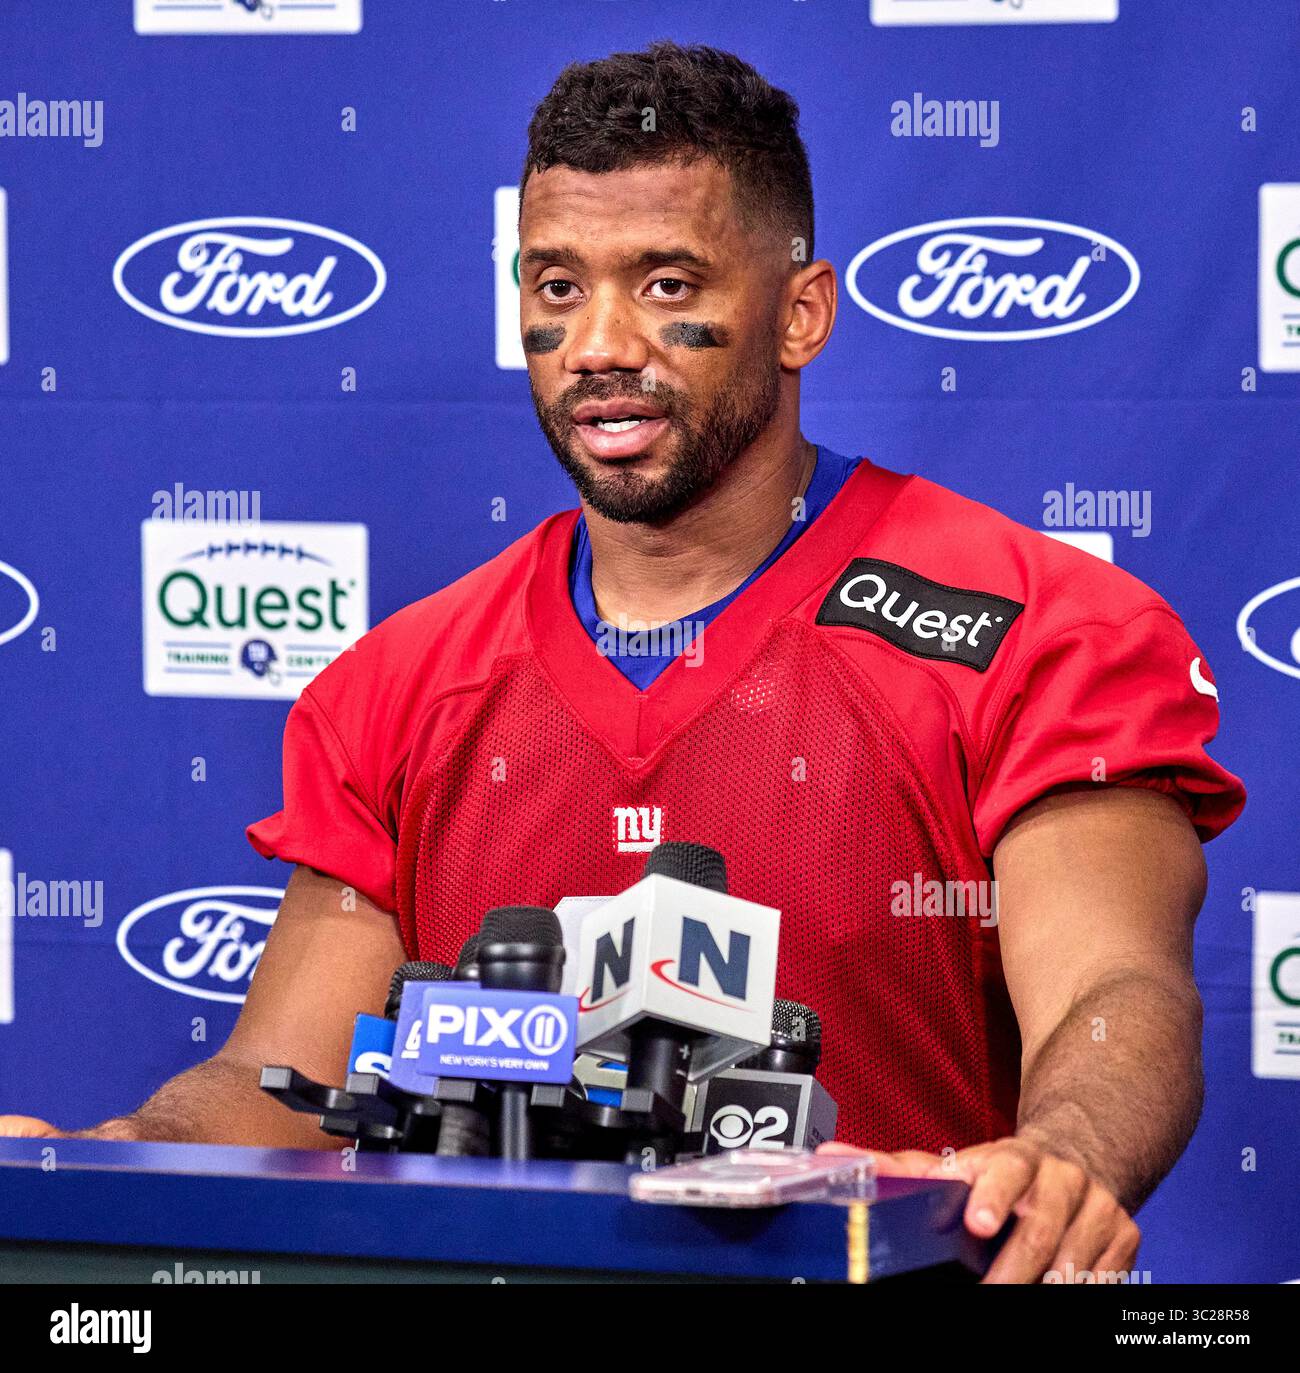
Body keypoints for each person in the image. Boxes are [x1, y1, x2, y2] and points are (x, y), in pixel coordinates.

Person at [2, 42, 1245, 1284]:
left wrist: (1064, 1147)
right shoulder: (395, 683)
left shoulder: (1038, 626)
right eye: (555, 285)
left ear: (800, 311)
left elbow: (1117, 982)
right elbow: (279, 1085)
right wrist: (107, 1161)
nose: (597, 343)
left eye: (663, 283)